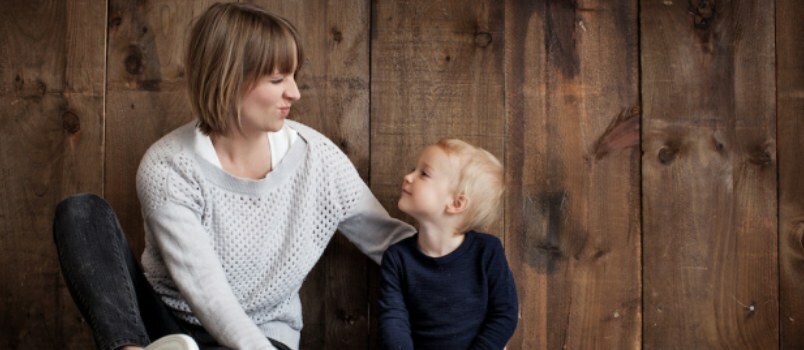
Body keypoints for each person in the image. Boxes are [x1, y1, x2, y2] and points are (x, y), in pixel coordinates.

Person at [52, 3, 414, 350]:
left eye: (293, 76)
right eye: (277, 78)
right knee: (80, 213)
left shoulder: (317, 159)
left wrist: (469, 260)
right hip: (165, 326)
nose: (295, 92)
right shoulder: (168, 166)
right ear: (228, 80)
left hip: (262, 334)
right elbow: (204, 288)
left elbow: (389, 242)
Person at [378, 139, 519, 349]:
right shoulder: (397, 259)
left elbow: (505, 314)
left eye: (423, 174)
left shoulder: (487, 252)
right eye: (414, 170)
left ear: (456, 203)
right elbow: (393, 321)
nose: (408, 177)